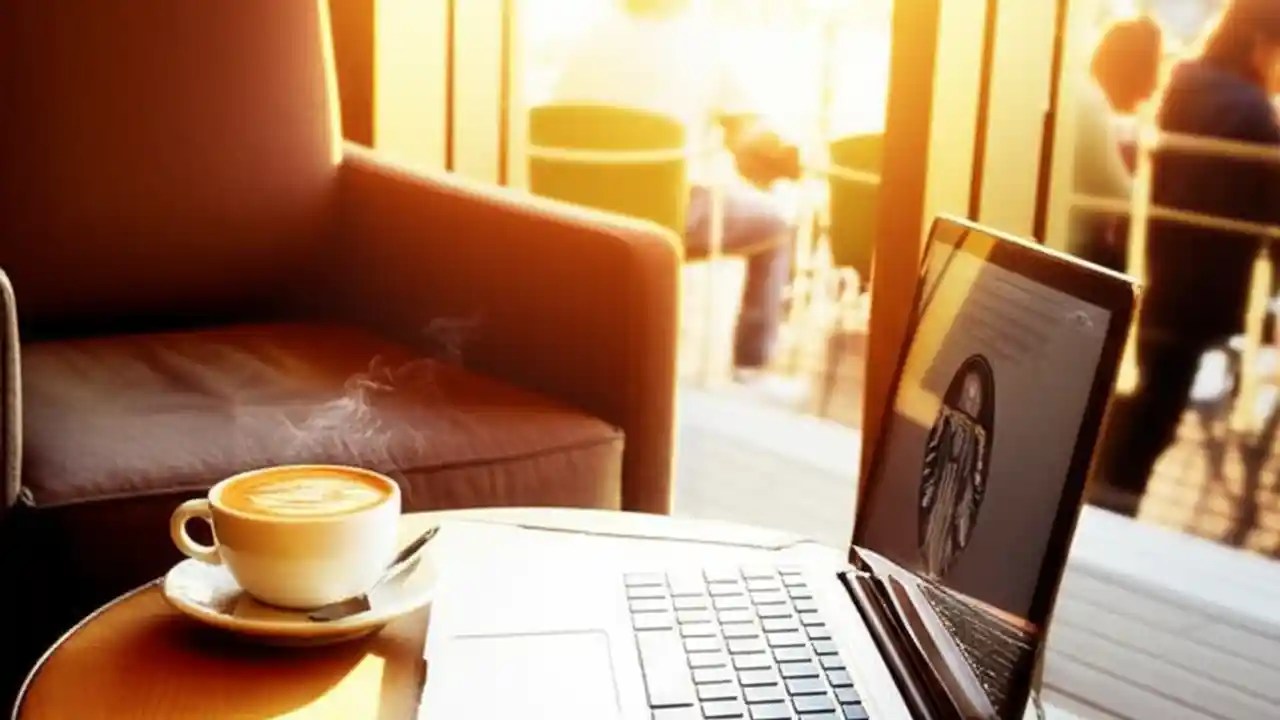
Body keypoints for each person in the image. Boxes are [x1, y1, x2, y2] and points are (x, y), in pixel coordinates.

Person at [1092, 0, 1280, 516]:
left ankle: (1104, 497)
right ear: (1261, 44)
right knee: (1158, 406)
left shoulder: (1186, 84)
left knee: (1147, 394)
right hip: (1210, 280)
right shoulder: (1250, 109)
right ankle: (1112, 505)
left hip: (1164, 264)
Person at [551, 0, 798, 375]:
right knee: (777, 226)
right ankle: (752, 366)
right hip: (658, 216)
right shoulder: (701, 40)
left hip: (577, 213)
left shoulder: (589, 36)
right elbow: (748, 136)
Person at [1070, 16, 1163, 270]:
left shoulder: (1084, 94)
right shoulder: (1092, 104)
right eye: (1153, 70)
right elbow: (1120, 194)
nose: (1154, 87)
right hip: (1075, 250)